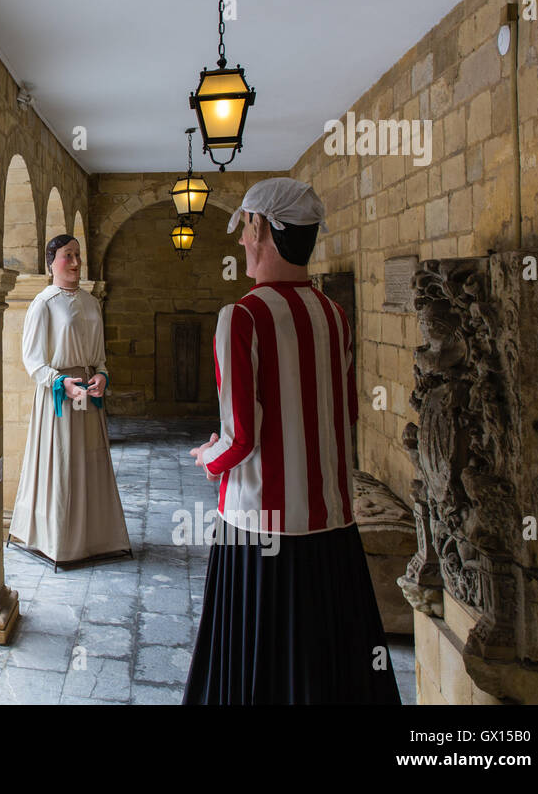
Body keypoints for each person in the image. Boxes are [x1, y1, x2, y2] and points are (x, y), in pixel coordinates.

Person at [183, 178, 401, 704]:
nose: (240, 242)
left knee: (257, 666)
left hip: (259, 528)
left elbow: (239, 439)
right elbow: (344, 412)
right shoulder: (334, 315)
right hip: (332, 521)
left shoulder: (240, 317)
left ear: (262, 228)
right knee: (333, 667)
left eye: (245, 229)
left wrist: (208, 456)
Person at [8, 234, 132, 569]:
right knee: (60, 462)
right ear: (51, 262)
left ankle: (93, 537)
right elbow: (33, 361)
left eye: (77, 255)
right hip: (59, 397)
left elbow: (100, 357)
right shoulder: (43, 304)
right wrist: (62, 383)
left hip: (88, 397)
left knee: (90, 461)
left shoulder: (92, 303)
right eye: (67, 255)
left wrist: (101, 377)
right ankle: (58, 540)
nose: (75, 263)